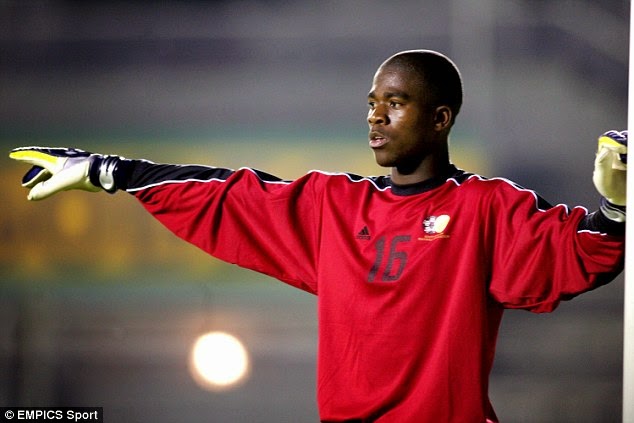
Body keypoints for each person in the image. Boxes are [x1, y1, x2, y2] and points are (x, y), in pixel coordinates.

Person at [9, 50, 627, 422]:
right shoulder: (334, 205)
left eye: (396, 102)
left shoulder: (482, 208)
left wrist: (617, 204)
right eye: (372, 102)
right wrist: (108, 171)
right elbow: (226, 194)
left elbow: (577, 253)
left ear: (440, 119)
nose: (375, 116)